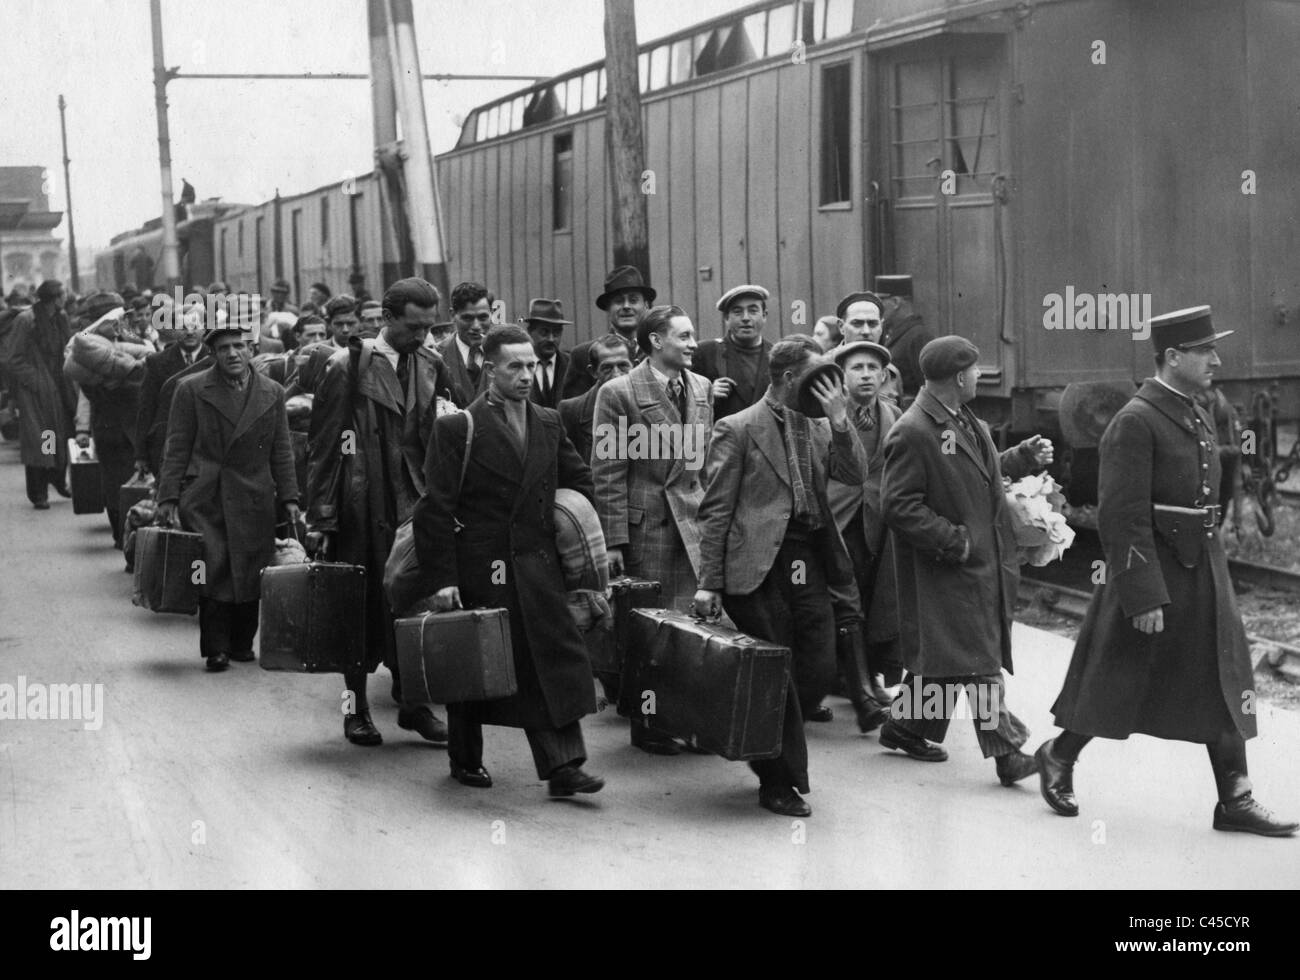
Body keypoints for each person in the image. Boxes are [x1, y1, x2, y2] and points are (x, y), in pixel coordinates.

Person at [1039, 306, 1296, 837]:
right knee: (1118, 673)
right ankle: (1059, 756)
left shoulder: (1192, 408)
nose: (1216, 360)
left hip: (1201, 563)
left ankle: (1236, 799)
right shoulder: (1135, 420)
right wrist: (1142, 595)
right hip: (1154, 570)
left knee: (1224, 673)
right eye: (1205, 352)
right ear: (1172, 357)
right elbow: (1120, 515)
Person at [413, 324, 605, 798]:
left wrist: (576, 526)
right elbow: (435, 509)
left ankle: (564, 766)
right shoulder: (458, 427)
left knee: (549, 663)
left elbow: (580, 481)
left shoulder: (549, 420)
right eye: (514, 366)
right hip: (482, 565)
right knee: (478, 661)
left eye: (531, 365)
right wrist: (442, 579)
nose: (525, 375)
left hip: (539, 566)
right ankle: (465, 758)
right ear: (489, 367)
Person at [693, 336, 865, 817]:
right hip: (755, 567)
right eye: (817, 377)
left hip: (804, 560)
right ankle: (779, 780)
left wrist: (840, 420)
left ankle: (765, 750)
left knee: (817, 665)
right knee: (775, 677)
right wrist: (709, 582)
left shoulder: (819, 426)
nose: (828, 387)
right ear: (790, 379)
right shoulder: (738, 428)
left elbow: (854, 475)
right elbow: (716, 510)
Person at [879, 335, 1050, 786]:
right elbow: (897, 505)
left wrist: (1023, 457)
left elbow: (981, 474)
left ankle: (906, 725)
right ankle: (1008, 753)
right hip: (951, 568)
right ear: (959, 376)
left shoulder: (962, 418)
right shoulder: (913, 431)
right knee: (977, 655)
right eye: (974, 371)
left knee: (953, 654)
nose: (978, 377)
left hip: (974, 565)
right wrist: (956, 542)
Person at [307, 277, 454, 747]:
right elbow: (324, 447)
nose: (423, 335)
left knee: (413, 600)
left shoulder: (430, 363)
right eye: (414, 326)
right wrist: (323, 517)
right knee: (357, 607)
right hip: (362, 502)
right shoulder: (346, 366)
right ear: (387, 319)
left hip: (414, 501)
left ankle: (412, 704)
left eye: (429, 326)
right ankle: (356, 710)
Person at [594, 305, 713, 755]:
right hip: (648, 527)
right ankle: (648, 723)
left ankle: (685, 717)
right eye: (683, 336)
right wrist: (614, 541)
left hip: (692, 523)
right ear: (656, 341)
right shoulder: (619, 392)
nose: (692, 343)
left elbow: (701, 466)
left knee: (691, 627)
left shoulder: (700, 388)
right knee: (650, 630)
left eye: (692, 334)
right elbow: (607, 470)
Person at [156, 314, 300, 672]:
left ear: (252, 348)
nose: (233, 354)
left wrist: (291, 497)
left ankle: (241, 642)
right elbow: (176, 446)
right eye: (224, 348)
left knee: (252, 570)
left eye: (239, 346)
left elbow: (282, 449)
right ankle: (215, 648)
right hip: (207, 495)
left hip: (255, 496)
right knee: (213, 569)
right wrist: (168, 497)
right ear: (213, 353)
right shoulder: (190, 389)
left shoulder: (272, 392)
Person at [825, 340, 904, 732]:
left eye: (875, 368)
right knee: (847, 599)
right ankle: (859, 688)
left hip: (877, 521)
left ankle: (867, 676)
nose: (868, 375)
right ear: (842, 377)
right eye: (858, 368)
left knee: (873, 598)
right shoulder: (825, 417)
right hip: (838, 520)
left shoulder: (893, 414)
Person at [74, 292, 144, 548]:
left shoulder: (131, 340)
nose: (120, 324)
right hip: (111, 429)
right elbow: (87, 392)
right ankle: (121, 535)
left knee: (140, 483)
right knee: (116, 486)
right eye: (115, 318)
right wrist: (82, 426)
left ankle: (134, 535)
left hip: (136, 426)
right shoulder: (88, 350)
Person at [2, 279, 76, 508]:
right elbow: (13, 359)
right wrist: (36, 381)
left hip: (59, 385)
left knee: (59, 436)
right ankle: (39, 491)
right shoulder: (27, 320)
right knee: (43, 440)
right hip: (37, 391)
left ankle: (56, 477)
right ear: (54, 297)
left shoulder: (60, 318)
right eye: (63, 294)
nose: (65, 298)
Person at [560, 265, 654, 400]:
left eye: (633, 300)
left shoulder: (658, 352)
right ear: (608, 308)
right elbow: (572, 412)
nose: (626, 306)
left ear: (646, 305)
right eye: (618, 301)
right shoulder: (582, 355)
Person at [692, 284, 773, 422]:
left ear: (764, 316)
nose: (746, 318)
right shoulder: (705, 352)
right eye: (737, 311)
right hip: (722, 440)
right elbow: (681, 402)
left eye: (753, 311)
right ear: (726, 318)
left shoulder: (777, 355)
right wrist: (706, 395)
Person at [559, 334, 633, 464]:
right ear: (593, 372)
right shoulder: (571, 411)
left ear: (635, 366)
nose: (616, 374)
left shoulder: (654, 405)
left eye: (623, 366)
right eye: (607, 368)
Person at [875, 275, 933, 404]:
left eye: (880, 301)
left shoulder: (919, 336)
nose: (876, 308)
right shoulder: (886, 333)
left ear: (896, 302)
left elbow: (929, 388)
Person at [836, 290, 902, 403]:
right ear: (841, 327)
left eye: (872, 324)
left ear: (881, 326)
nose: (866, 331)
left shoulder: (891, 373)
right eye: (857, 323)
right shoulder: (825, 367)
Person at [439, 281, 493, 408]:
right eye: (468, 318)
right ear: (452, 315)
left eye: (483, 317)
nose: (476, 326)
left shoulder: (503, 354)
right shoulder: (436, 355)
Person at [521, 298, 571, 410]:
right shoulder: (519, 365)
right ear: (529, 332)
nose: (551, 339)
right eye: (544, 332)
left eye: (556, 333)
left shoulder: (571, 365)